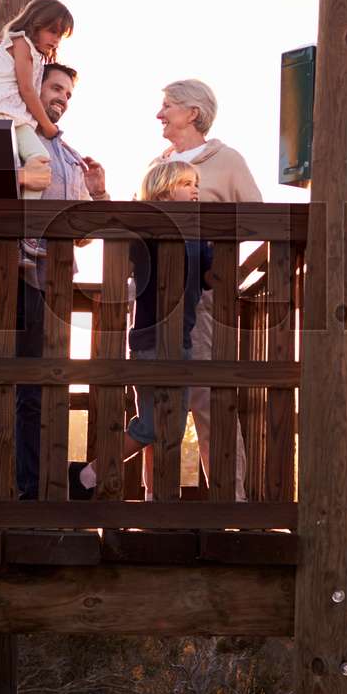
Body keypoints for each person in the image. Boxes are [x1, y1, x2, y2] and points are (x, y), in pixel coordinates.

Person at [0, 62, 109, 499]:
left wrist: (98, 191)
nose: (62, 98)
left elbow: (82, 236)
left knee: (35, 389)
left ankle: (28, 490)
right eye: (56, 88)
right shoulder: (4, 136)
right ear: (32, 89)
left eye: (68, 94)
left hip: (48, 284)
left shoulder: (70, 157)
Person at [69, 160, 211, 500]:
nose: (195, 189)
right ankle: (86, 476)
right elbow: (114, 225)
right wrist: (100, 193)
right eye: (186, 183)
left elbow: (209, 276)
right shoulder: (148, 229)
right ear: (163, 188)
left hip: (181, 341)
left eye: (196, 183)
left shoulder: (198, 234)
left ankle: (152, 498)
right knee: (158, 425)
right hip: (152, 339)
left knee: (162, 424)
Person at [151, 78, 260, 499]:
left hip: (201, 299)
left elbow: (259, 219)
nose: (159, 115)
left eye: (166, 107)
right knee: (155, 396)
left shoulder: (226, 160)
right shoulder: (157, 164)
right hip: (152, 300)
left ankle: (231, 505)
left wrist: (225, 273)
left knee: (206, 397)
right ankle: (156, 505)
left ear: (192, 113)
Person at [0, 0, 74, 218]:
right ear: (36, 23)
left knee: (40, 158)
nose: (56, 40)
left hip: (12, 115)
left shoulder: (35, 56)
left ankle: (23, 220)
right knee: (4, 164)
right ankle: (10, 219)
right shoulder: (20, 42)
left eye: (60, 36)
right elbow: (27, 89)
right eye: (52, 31)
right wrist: (46, 125)